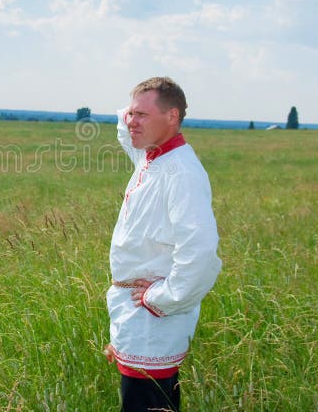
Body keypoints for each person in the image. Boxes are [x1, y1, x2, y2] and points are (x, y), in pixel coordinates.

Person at [105, 77, 222, 412]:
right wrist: (135, 108)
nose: (131, 122)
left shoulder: (181, 172)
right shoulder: (150, 158)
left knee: (146, 404)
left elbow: (200, 252)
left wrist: (163, 297)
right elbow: (124, 128)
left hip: (153, 319)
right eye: (130, 113)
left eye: (142, 114)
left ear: (172, 117)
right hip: (137, 316)